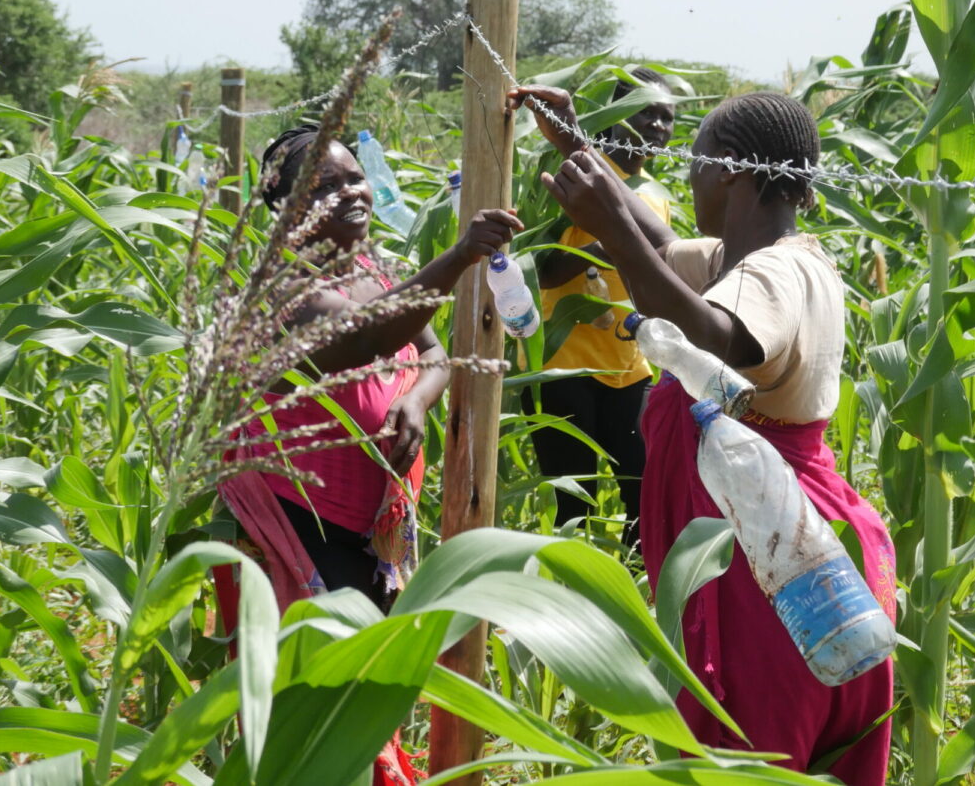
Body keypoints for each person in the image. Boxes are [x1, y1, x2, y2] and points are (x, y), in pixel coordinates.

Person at [507, 86, 896, 786]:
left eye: (695, 159)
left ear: (729, 172)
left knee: (751, 761)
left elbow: (715, 341)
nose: (683, 174)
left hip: (769, 557)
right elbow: (661, 253)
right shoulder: (750, 259)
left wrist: (613, 233)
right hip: (798, 539)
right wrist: (575, 145)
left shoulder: (777, 271)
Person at [215, 125, 521, 610]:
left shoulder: (372, 270)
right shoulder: (279, 289)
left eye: (355, 178)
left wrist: (415, 400)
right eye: (325, 187)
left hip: (376, 529)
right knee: (324, 670)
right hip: (303, 521)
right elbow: (368, 337)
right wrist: (462, 255)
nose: (351, 193)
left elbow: (434, 355)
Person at [527, 68, 676, 548]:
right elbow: (541, 271)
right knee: (576, 505)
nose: (657, 125)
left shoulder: (654, 195)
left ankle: (640, 592)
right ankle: (573, 603)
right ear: (613, 118)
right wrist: (618, 241)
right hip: (563, 366)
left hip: (629, 368)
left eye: (666, 117)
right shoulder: (575, 176)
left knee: (647, 489)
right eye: (645, 112)